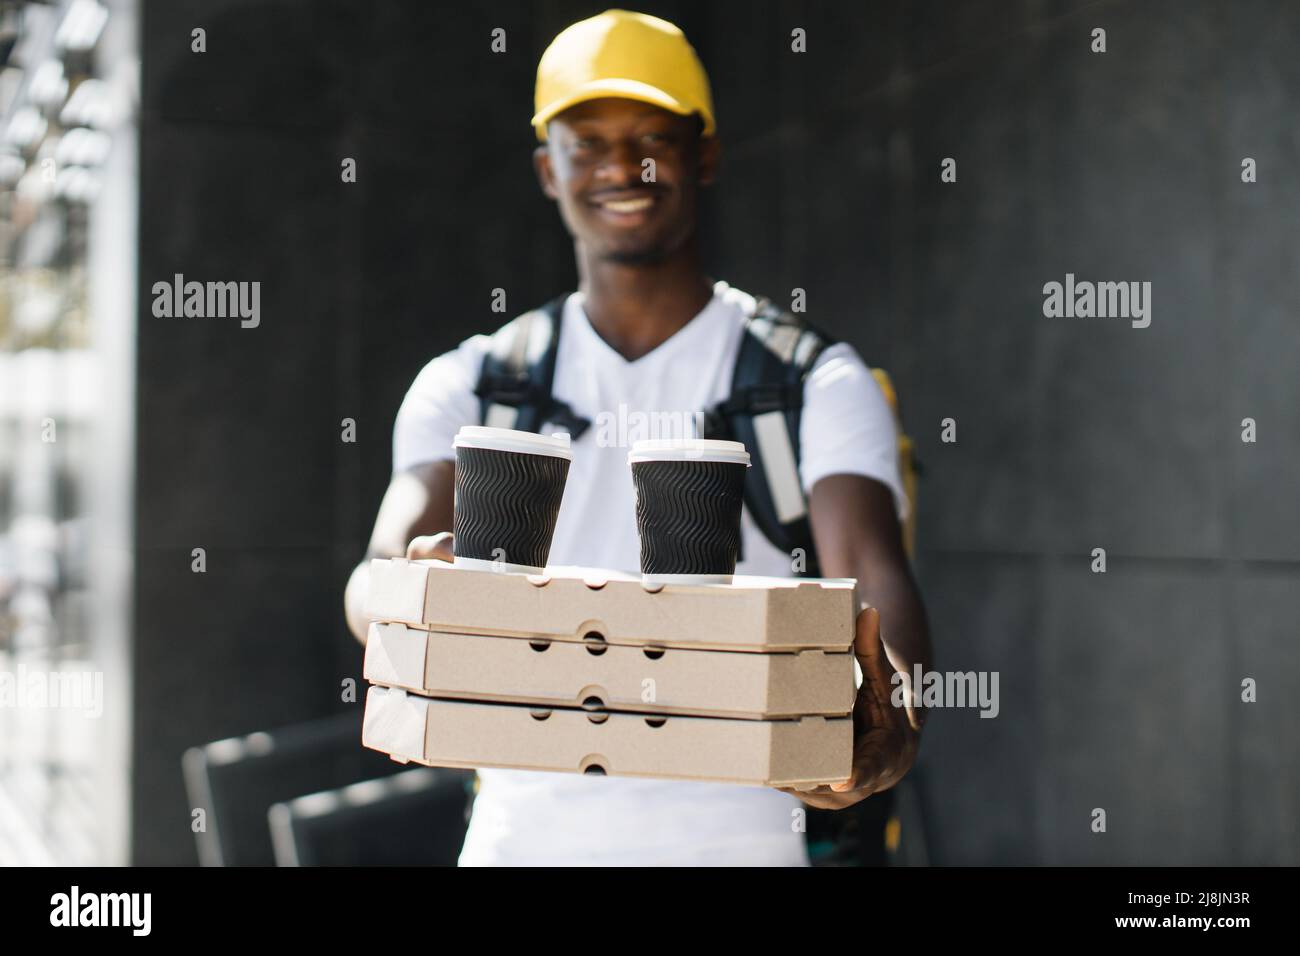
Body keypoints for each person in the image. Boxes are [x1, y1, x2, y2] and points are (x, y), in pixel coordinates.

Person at [344, 8, 930, 866]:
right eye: (587, 141)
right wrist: (402, 596)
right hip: (521, 843)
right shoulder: (470, 384)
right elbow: (378, 571)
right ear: (549, 170)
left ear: (707, 154)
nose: (623, 163)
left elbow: (877, 584)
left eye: (654, 135)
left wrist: (891, 716)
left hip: (747, 844)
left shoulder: (811, 381)